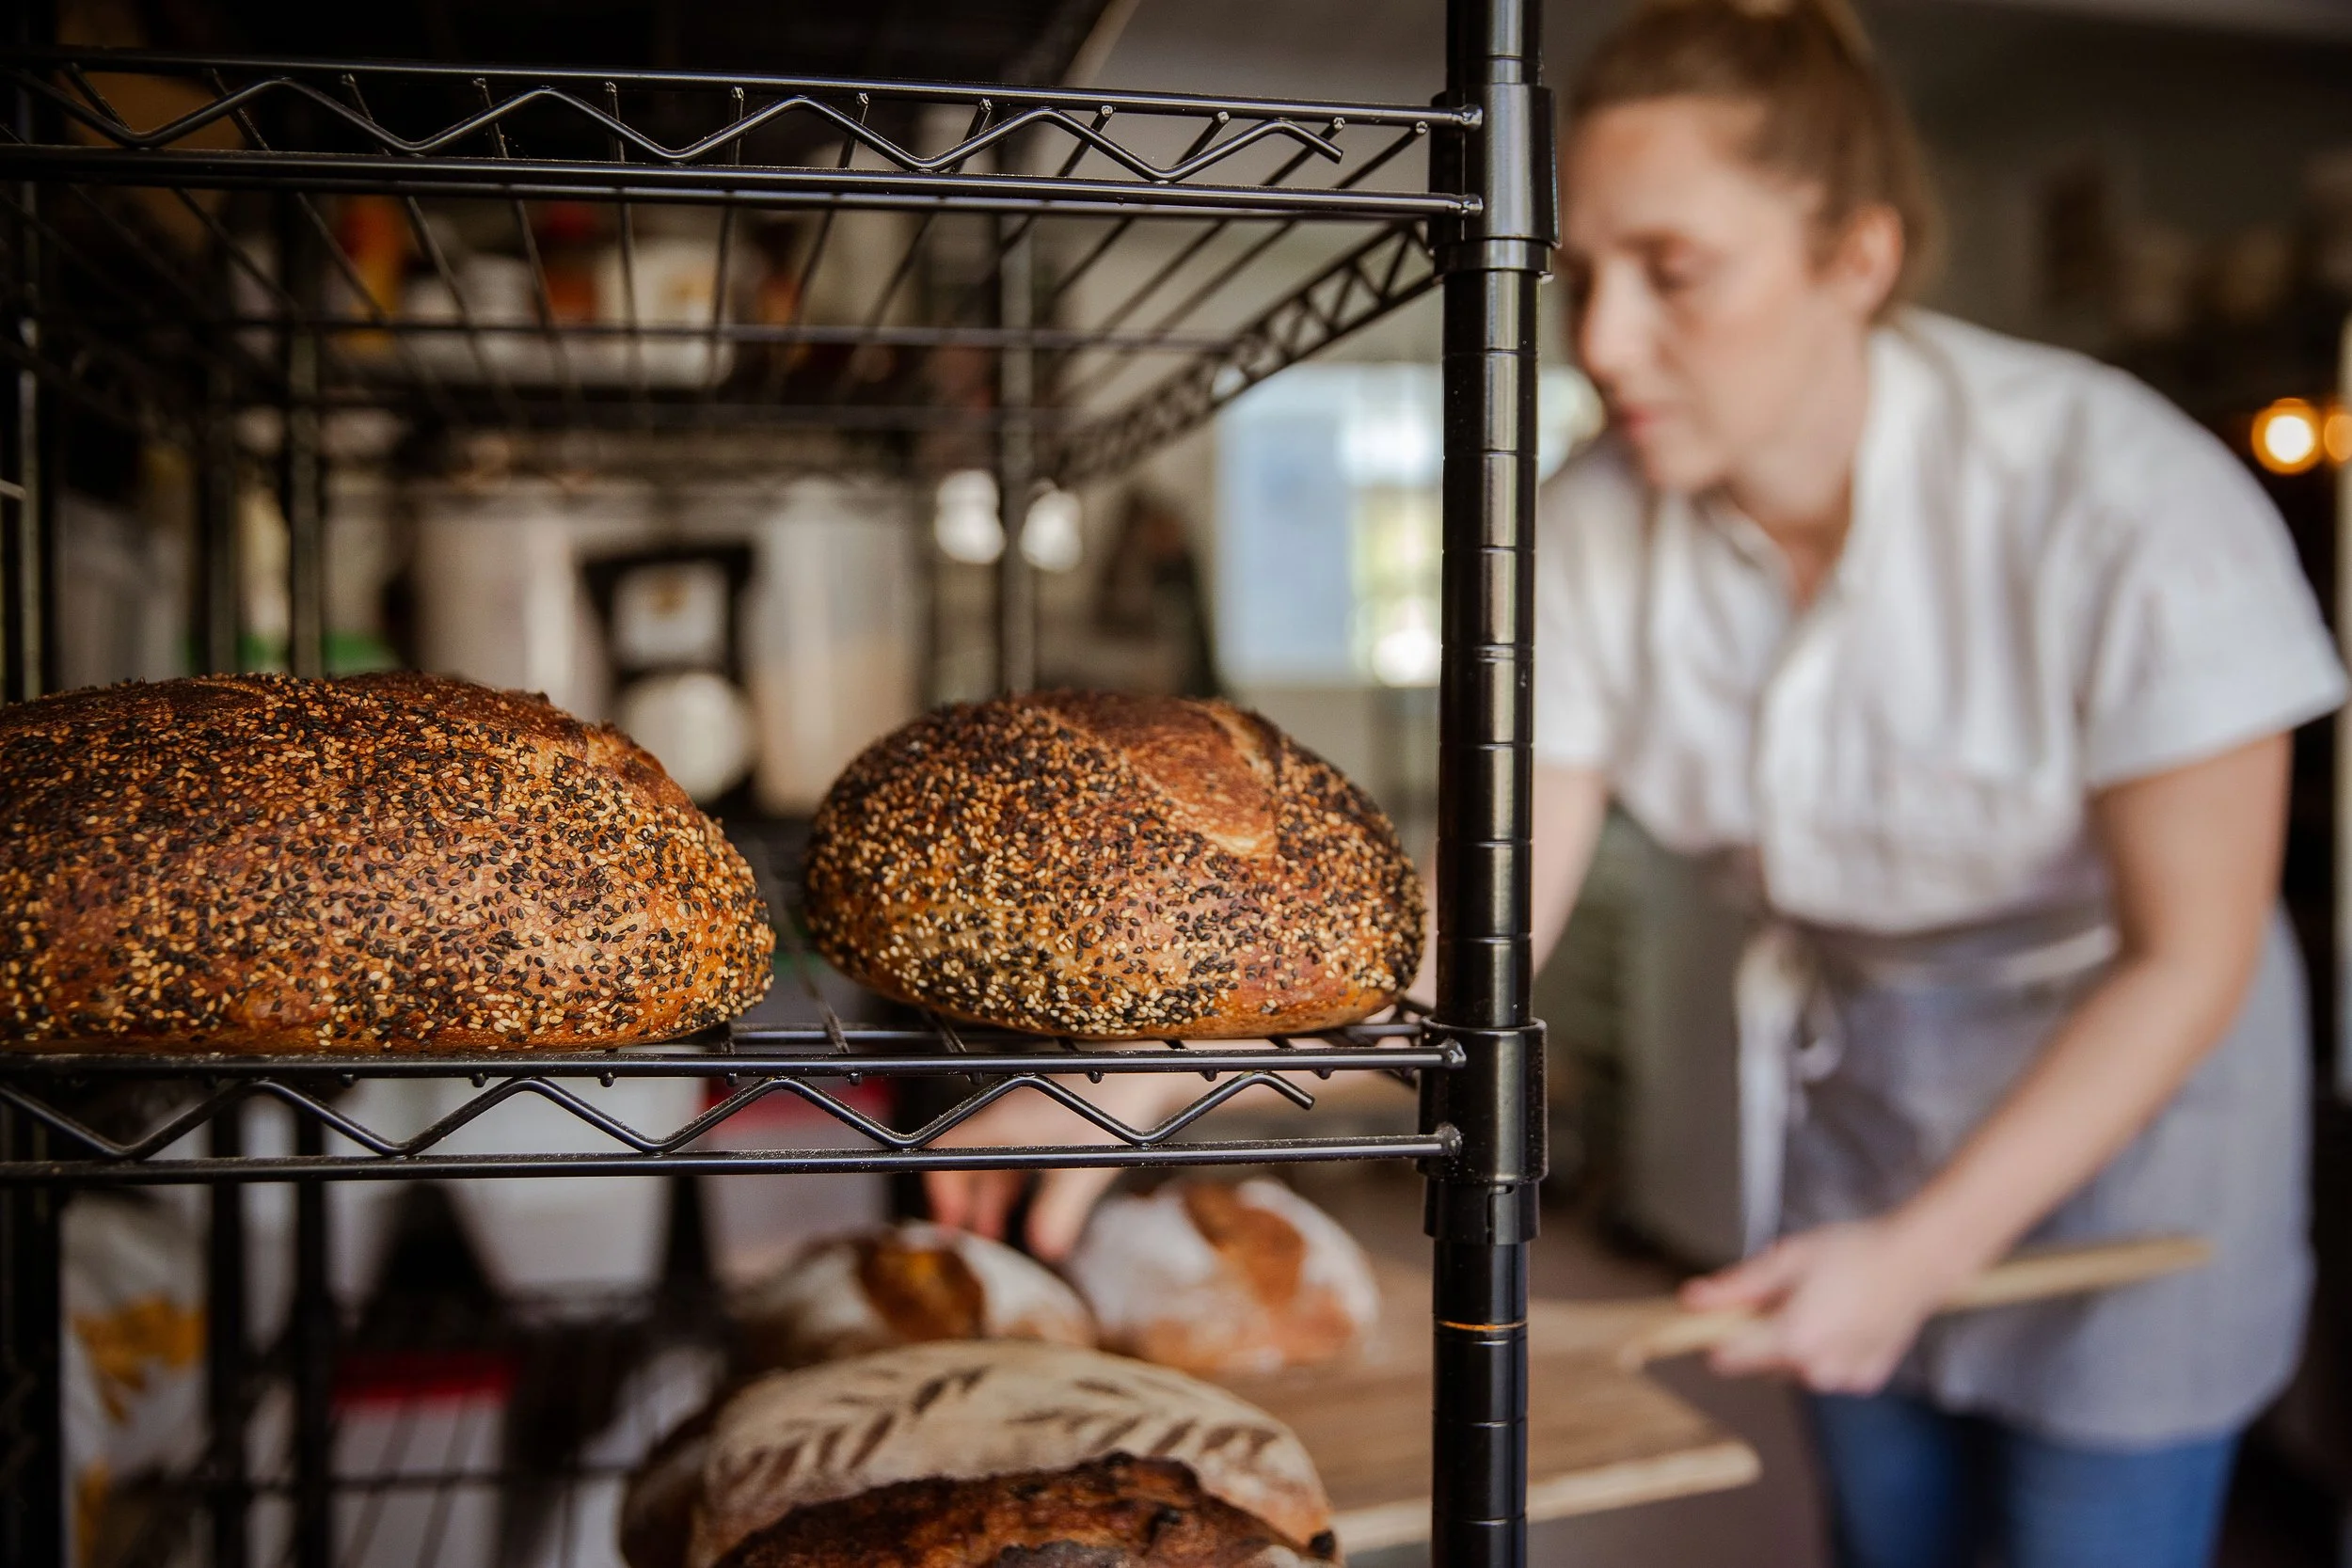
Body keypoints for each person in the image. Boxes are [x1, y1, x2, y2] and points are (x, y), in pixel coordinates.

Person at [928, 3, 2345, 1563]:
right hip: (1867, 1095)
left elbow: (2187, 953)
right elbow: (1467, 946)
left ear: (1856, 258)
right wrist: (1134, 1088)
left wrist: (1924, 1250)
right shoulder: (1592, 528)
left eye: (1674, 273)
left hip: (2134, 1102)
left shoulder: (2122, 496)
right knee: (1889, 1537)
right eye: (1585, 277)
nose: (1599, 345)